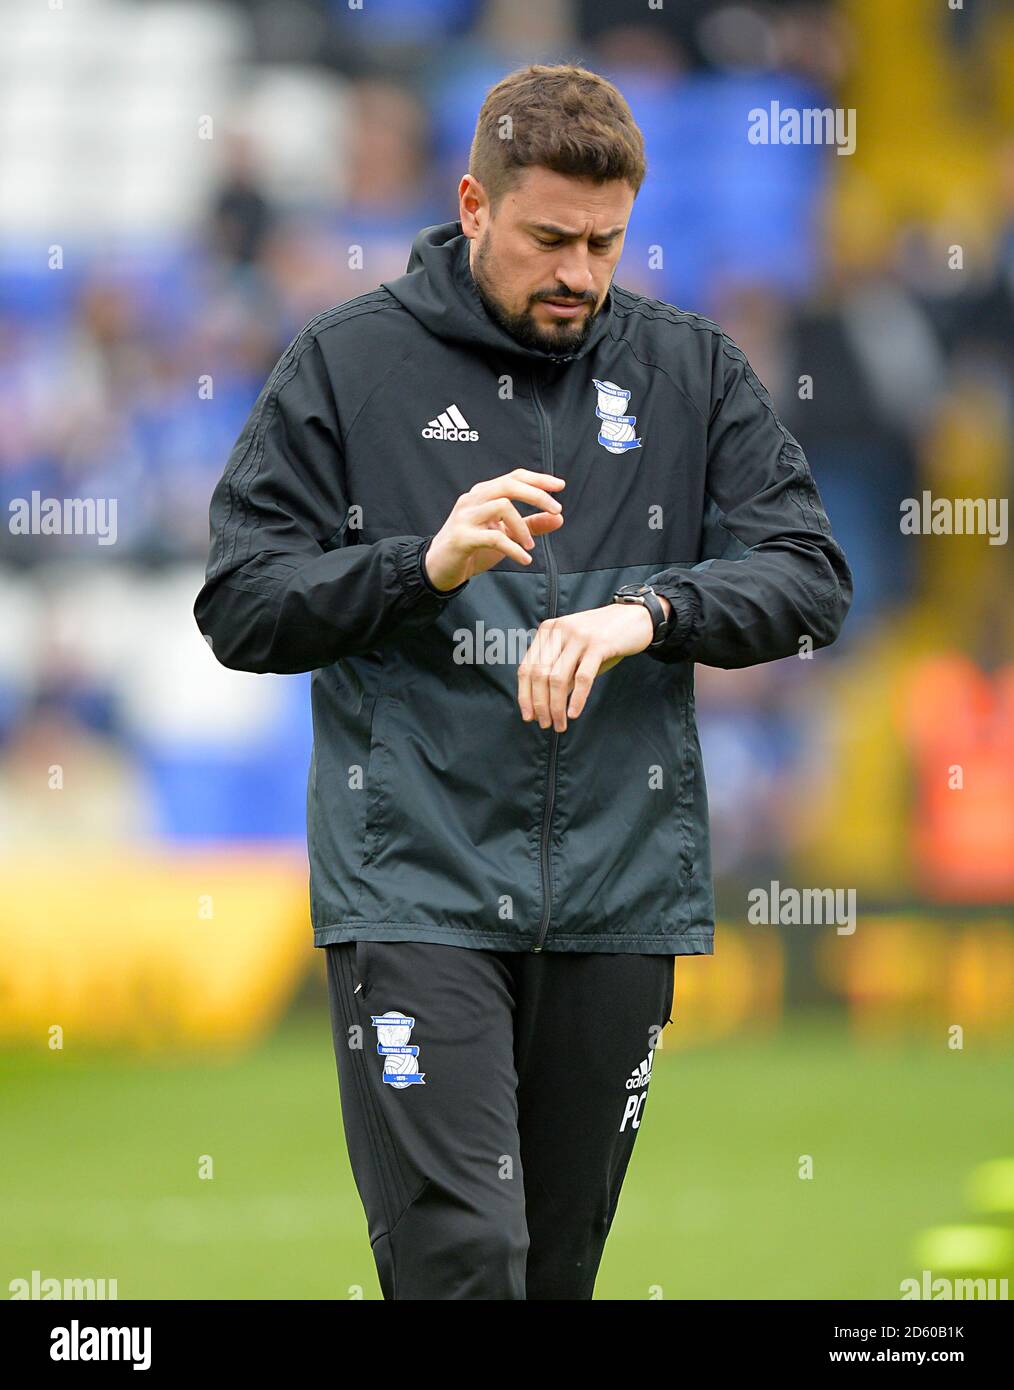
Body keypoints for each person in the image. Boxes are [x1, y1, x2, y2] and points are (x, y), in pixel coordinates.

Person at [194, 63, 852, 1300]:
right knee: (465, 1262)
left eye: (607, 242)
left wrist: (648, 613)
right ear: (473, 204)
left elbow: (811, 575)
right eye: (551, 236)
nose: (581, 273)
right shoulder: (345, 364)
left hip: (617, 896)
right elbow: (240, 602)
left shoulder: (688, 370)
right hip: (418, 893)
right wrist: (417, 565)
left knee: (552, 1276)